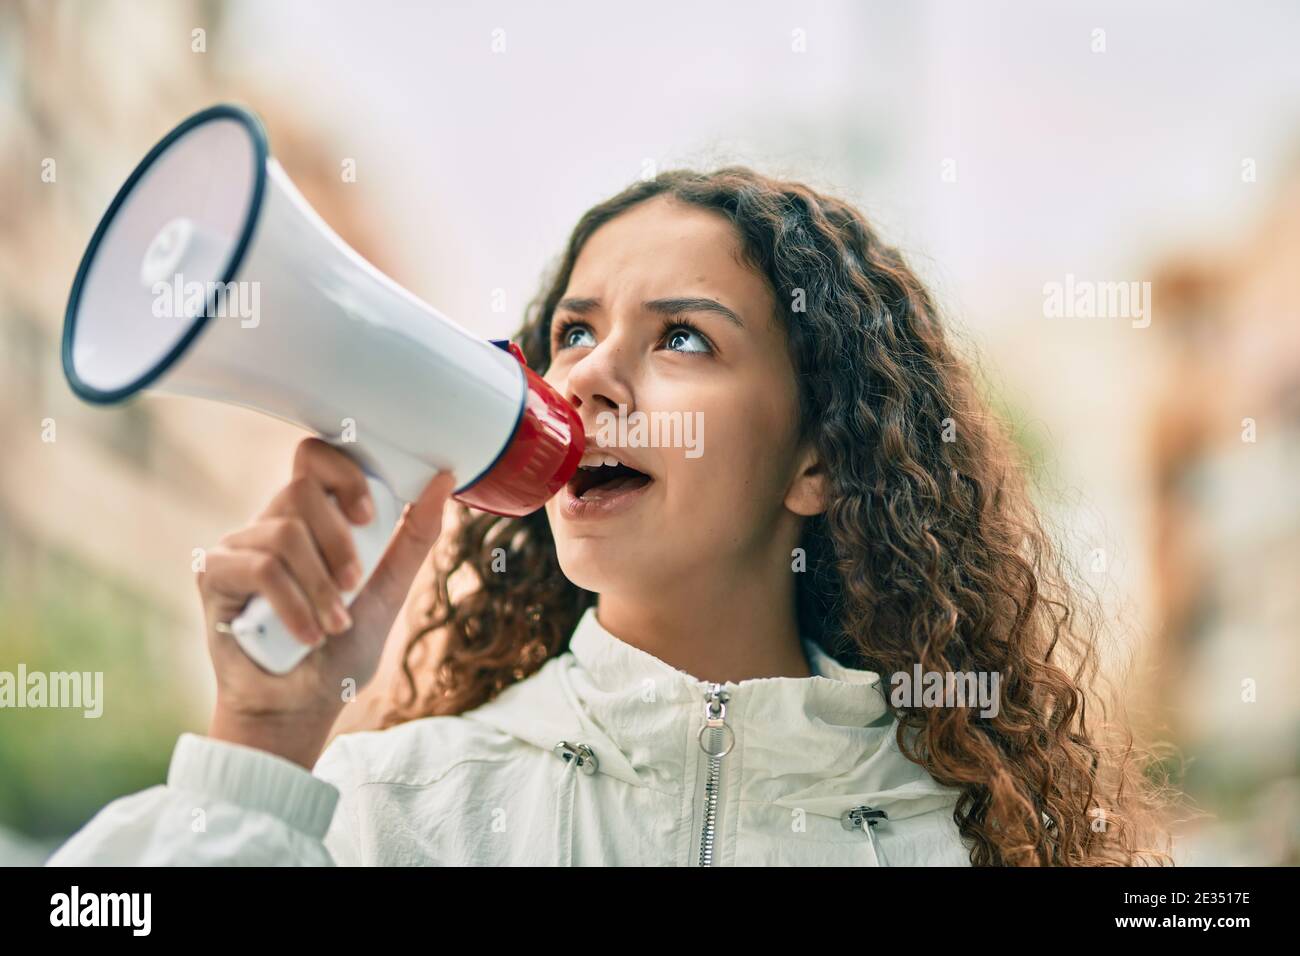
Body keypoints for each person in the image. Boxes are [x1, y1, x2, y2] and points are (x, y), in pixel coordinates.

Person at [47, 168, 1172, 866]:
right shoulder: (398, 808)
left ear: (819, 459)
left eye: (683, 337)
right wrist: (260, 746)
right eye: (573, 333)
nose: (587, 379)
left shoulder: (957, 837)